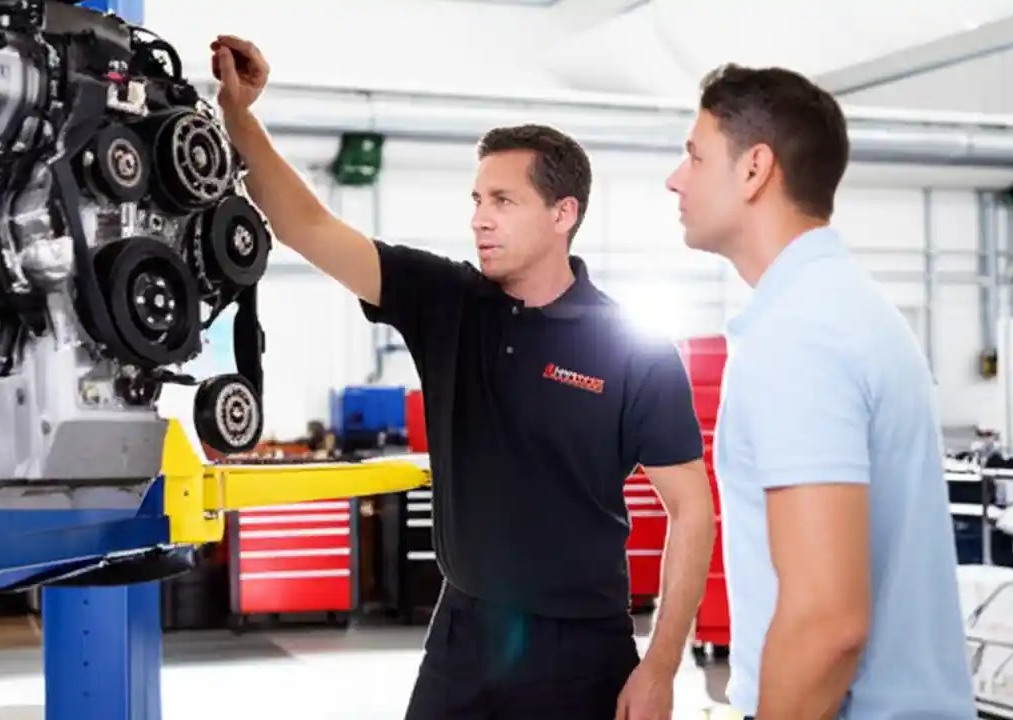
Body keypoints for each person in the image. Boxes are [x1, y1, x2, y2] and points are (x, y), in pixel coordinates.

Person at [211, 35, 716, 720]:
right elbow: (305, 226)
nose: (479, 217)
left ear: (562, 214)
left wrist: (661, 668)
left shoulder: (634, 349)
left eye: (503, 200)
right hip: (463, 637)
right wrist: (239, 116)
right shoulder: (446, 301)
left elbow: (691, 510)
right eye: (477, 197)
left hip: (580, 651)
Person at [666, 64, 977, 719]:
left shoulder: (799, 333)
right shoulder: (844, 308)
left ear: (754, 169)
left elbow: (827, 622)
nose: (676, 177)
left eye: (694, 156)